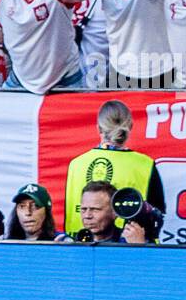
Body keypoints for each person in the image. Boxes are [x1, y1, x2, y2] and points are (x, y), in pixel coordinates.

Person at [64, 99, 164, 238]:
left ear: (98, 128)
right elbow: (158, 215)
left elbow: (69, 211)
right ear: (130, 126)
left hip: (79, 246)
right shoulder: (144, 164)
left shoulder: (76, 164)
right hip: (129, 250)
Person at [73, 180, 147, 244]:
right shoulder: (71, 243)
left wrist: (140, 248)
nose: (87, 216)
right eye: (83, 209)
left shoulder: (132, 241)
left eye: (95, 209)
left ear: (115, 212)